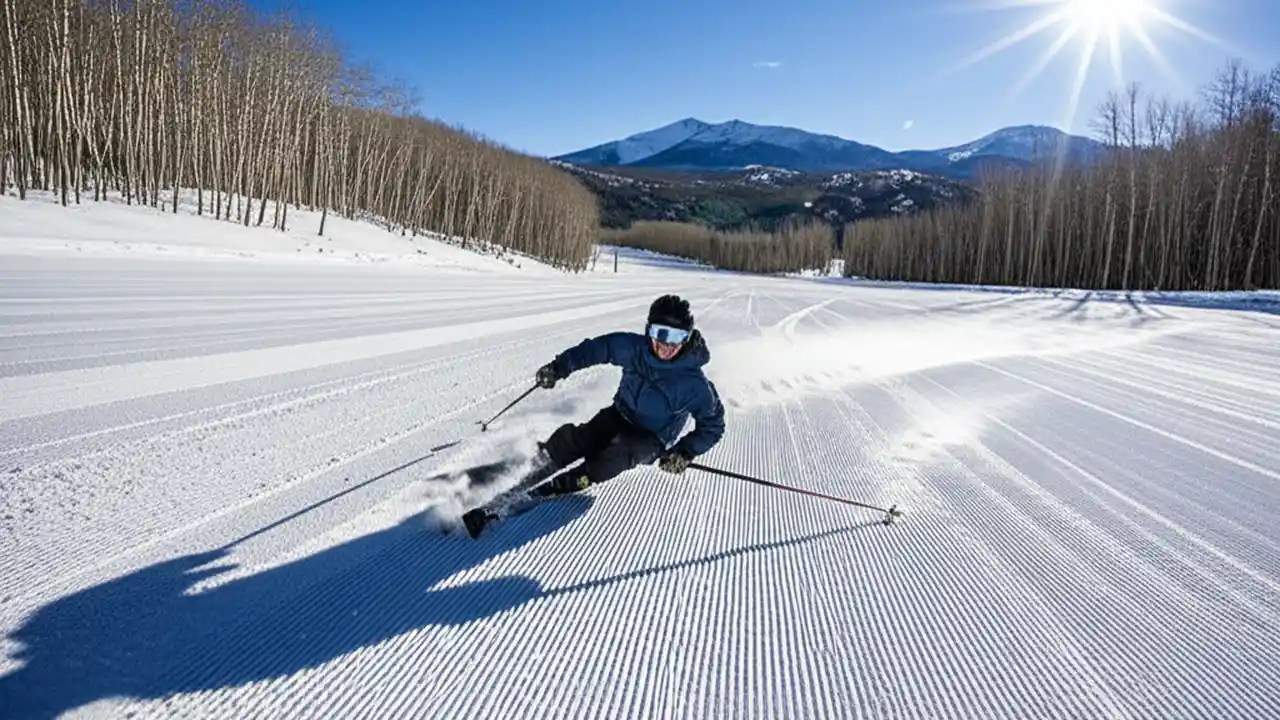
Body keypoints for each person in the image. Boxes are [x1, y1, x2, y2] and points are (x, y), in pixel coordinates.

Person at [522, 294, 726, 498]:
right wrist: (559, 367)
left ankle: (574, 480)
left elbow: (713, 425)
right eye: (660, 333)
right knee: (581, 439)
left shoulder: (694, 384)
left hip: (652, 437)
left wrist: (685, 451)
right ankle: (542, 460)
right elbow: (596, 349)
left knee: (615, 457)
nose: (666, 345)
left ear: (687, 338)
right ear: (649, 331)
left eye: (676, 337)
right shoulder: (634, 348)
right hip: (619, 414)